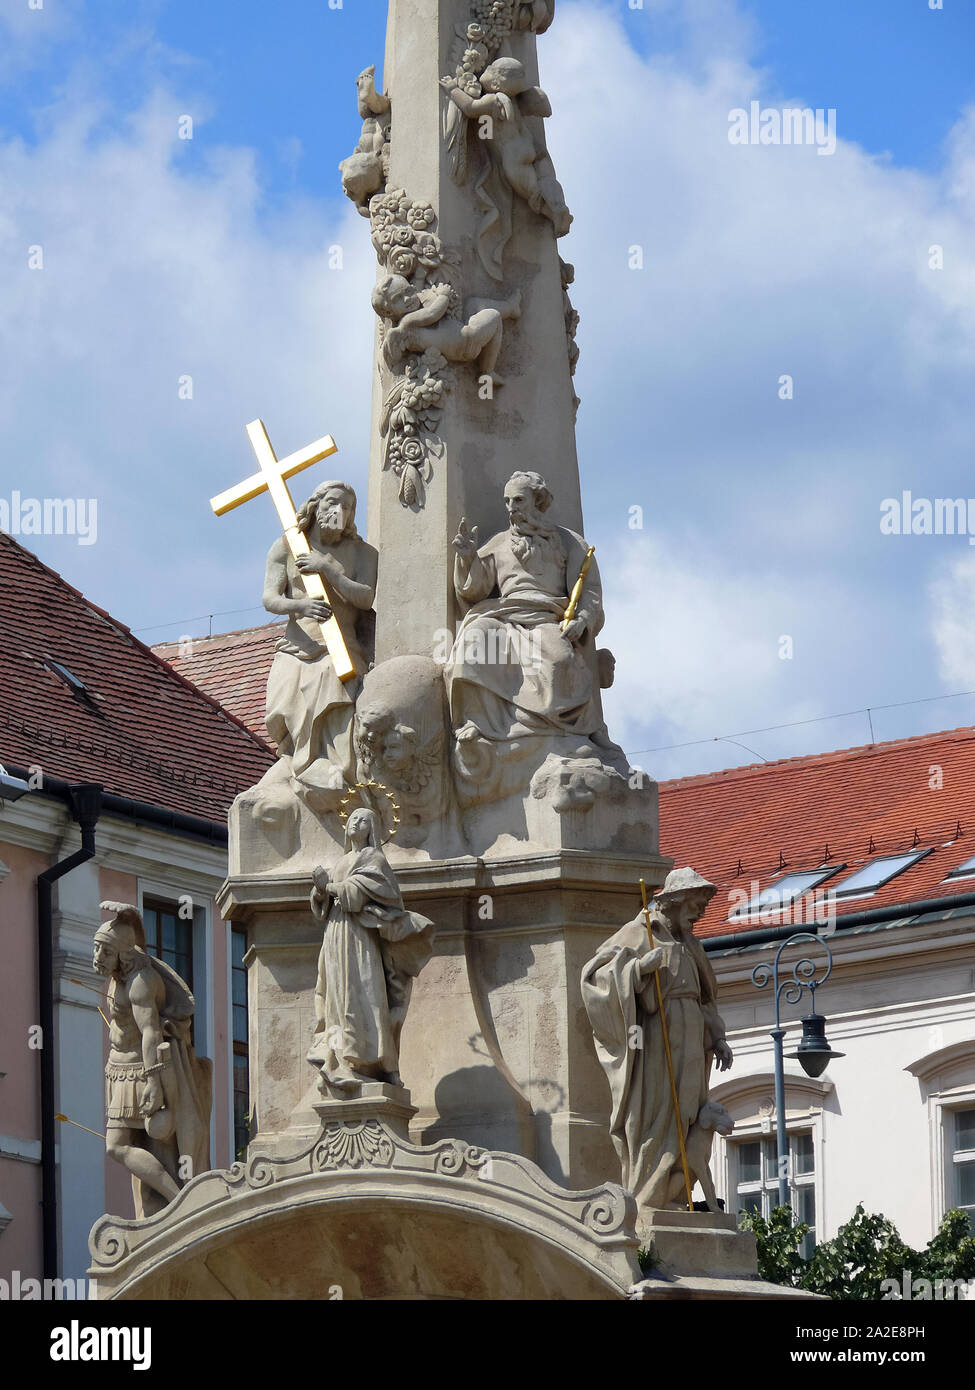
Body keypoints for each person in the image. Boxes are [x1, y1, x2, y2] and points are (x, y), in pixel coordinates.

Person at [581, 868, 733, 1210]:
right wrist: (637, 970)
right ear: (675, 901)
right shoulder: (639, 933)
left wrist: (718, 1036)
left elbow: (704, 998)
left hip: (693, 1039)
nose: (700, 913)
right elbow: (594, 979)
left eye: (703, 906)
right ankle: (650, 1194)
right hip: (655, 1040)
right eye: (695, 904)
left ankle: (678, 1192)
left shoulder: (690, 944)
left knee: (688, 1114)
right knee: (655, 1114)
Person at [446, 470, 610, 749]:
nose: (512, 508)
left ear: (538, 500)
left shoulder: (568, 541)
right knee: (475, 638)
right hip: (503, 613)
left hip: (547, 617)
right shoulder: (499, 542)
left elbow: (589, 590)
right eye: (508, 501)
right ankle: (479, 721)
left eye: (519, 500)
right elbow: (474, 589)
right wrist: (466, 559)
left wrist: (583, 619)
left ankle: (560, 730)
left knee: (559, 660)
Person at [260, 480, 378, 808]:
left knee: (336, 695)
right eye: (333, 503)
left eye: (348, 507)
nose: (340, 511)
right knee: (286, 706)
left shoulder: (363, 553)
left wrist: (327, 568)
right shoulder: (287, 546)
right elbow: (270, 598)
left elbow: (365, 598)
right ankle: (304, 764)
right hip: (297, 646)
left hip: (340, 648)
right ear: (316, 506)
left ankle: (330, 769)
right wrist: (300, 606)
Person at [93, 903, 211, 1218]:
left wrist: (154, 1084)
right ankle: (176, 1201)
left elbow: (149, 1032)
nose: (97, 958)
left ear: (121, 953)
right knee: (122, 1146)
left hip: (137, 1070)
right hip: (119, 1068)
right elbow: (136, 940)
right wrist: (129, 916)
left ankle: (177, 1200)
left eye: (104, 952)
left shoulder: (140, 982)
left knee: (116, 1147)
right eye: (96, 949)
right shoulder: (123, 972)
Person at [306, 809, 433, 1094]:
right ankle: (338, 1059)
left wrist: (331, 887)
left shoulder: (374, 859)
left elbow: (362, 893)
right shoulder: (342, 860)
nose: (356, 822)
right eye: (352, 818)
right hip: (336, 932)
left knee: (360, 994)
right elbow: (326, 904)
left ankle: (366, 1063)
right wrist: (319, 892)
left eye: (363, 820)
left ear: (371, 829)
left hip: (359, 936)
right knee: (335, 996)